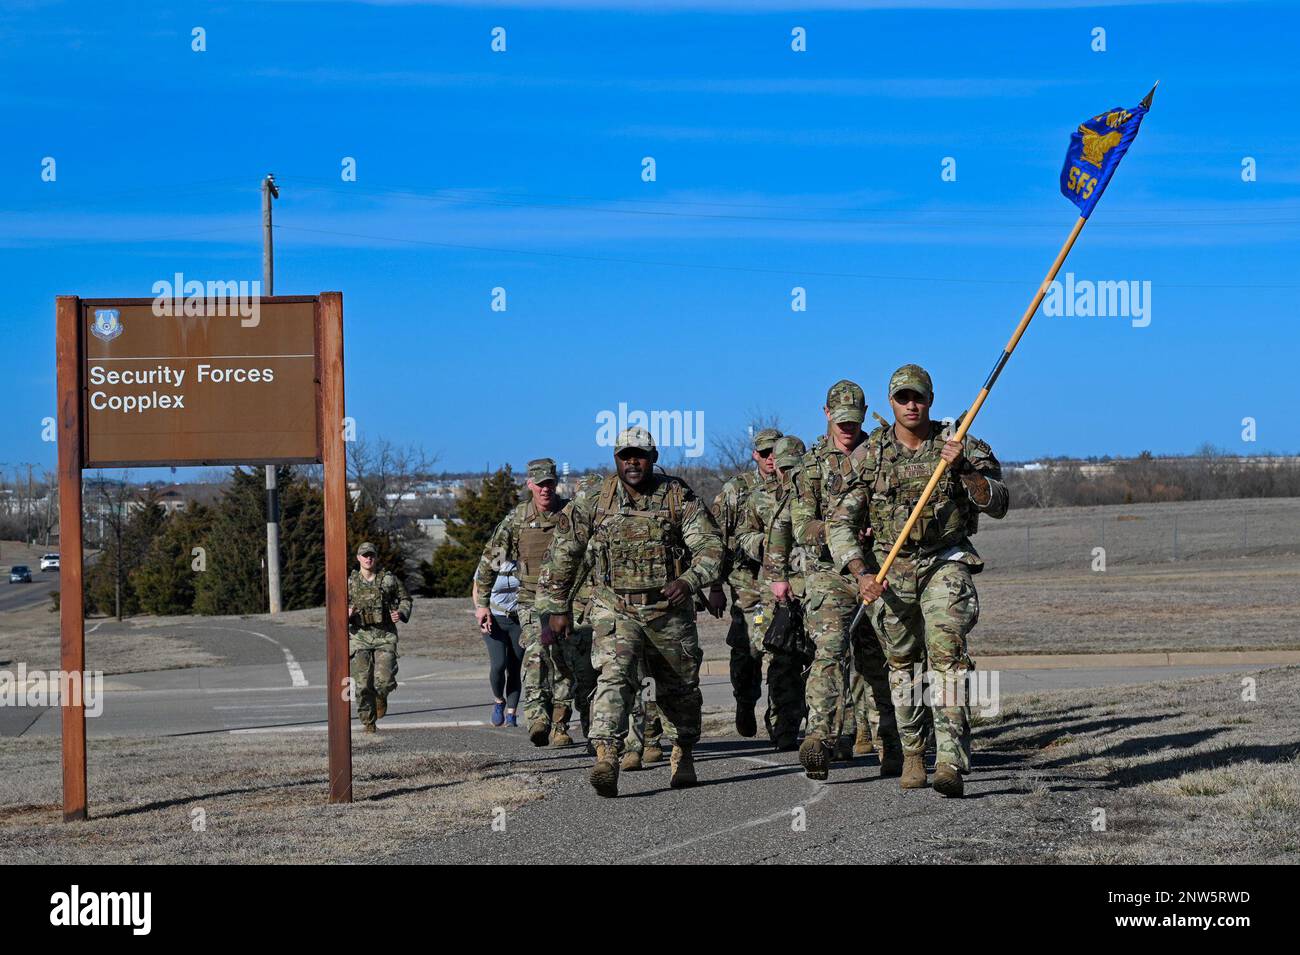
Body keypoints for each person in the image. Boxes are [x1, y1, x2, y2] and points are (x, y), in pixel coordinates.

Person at [828, 364, 1009, 798]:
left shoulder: (958, 442)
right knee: (903, 665)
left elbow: (999, 502)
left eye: (919, 397)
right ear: (890, 404)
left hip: (943, 561)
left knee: (948, 656)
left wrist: (963, 467)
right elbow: (840, 524)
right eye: (902, 398)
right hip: (890, 571)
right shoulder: (869, 458)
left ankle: (949, 760)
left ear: (930, 399)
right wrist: (862, 573)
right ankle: (913, 752)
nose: (911, 405)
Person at [538, 427, 723, 797]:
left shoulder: (676, 496)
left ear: (653, 458)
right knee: (614, 675)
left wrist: (688, 581)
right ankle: (606, 755)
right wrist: (556, 607)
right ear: (616, 460)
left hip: (668, 611)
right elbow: (563, 552)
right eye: (625, 456)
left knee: (680, 689)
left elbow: (711, 547)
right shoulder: (594, 499)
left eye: (639, 455)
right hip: (614, 607)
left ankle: (683, 751)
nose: (632, 462)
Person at [787, 380, 901, 781]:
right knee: (830, 651)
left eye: (854, 420)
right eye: (841, 421)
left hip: (883, 569)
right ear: (826, 414)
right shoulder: (810, 466)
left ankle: (892, 743)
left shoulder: (882, 455)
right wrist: (842, 533)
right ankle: (820, 739)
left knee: (880, 659)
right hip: (830, 574)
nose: (847, 428)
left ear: (866, 414)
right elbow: (802, 526)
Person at [473, 458, 593, 747]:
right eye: (539, 485)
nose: (545, 490)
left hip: (571, 602)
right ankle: (538, 717)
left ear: (556, 483)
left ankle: (571, 726)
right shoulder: (517, 520)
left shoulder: (572, 515)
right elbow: (491, 561)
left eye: (549, 484)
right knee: (537, 652)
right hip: (531, 602)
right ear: (529, 485)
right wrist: (483, 604)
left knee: (573, 665)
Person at [732, 434, 808, 750]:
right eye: (779, 463)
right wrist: (763, 544)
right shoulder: (757, 496)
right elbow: (740, 536)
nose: (784, 469)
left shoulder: (815, 492)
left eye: (793, 466)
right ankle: (782, 727)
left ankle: (828, 728)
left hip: (813, 587)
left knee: (817, 660)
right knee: (776, 657)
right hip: (769, 594)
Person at [713, 428, 781, 738]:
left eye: (775, 451)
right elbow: (717, 540)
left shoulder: (794, 481)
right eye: (765, 452)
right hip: (746, 580)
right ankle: (745, 700)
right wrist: (715, 587)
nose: (771, 458)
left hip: (782, 579)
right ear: (755, 454)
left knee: (783, 646)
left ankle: (781, 716)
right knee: (747, 648)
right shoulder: (736, 490)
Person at [348, 541, 413, 733]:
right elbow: (336, 606)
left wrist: (400, 613)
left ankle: (381, 697)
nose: (368, 558)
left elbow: (406, 599)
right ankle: (369, 723)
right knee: (362, 685)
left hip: (385, 636)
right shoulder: (350, 583)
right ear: (358, 558)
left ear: (376, 558)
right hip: (359, 636)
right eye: (364, 555)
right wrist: (346, 613)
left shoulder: (388, 580)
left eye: (371, 555)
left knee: (384, 679)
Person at [472, 562, 524, 727]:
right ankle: (499, 701)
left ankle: (511, 715)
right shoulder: (493, 559)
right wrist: (481, 610)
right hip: (494, 619)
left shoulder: (524, 557)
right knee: (498, 664)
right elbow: (477, 589)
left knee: (515, 667)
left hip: (518, 620)